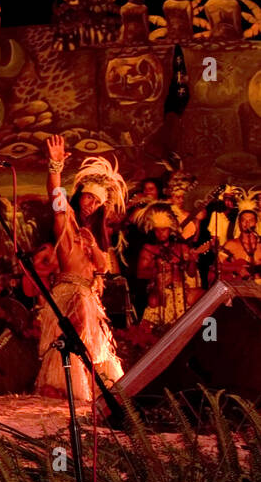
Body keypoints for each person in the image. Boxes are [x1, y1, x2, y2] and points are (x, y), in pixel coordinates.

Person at [33, 135, 125, 402]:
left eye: (97, 203)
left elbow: (103, 267)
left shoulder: (91, 236)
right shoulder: (66, 225)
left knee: (93, 352)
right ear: (79, 195)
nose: (91, 205)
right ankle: (65, 392)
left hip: (88, 296)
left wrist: (93, 244)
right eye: (88, 199)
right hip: (71, 293)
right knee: (71, 345)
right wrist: (55, 166)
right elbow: (55, 195)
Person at [132, 202, 196, 328]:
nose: (160, 233)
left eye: (164, 230)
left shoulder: (181, 248)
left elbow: (191, 273)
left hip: (181, 293)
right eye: (157, 230)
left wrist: (192, 260)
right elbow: (140, 273)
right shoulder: (149, 249)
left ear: (171, 230)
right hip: (159, 293)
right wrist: (158, 270)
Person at [219, 190, 260, 280]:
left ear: (256, 223)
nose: (247, 223)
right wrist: (236, 268)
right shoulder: (231, 244)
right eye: (244, 220)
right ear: (239, 223)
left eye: (251, 220)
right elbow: (217, 266)